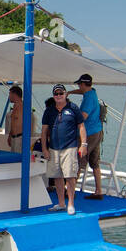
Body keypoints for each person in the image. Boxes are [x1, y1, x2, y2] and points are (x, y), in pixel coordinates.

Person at [40, 83, 87, 214]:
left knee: (70, 176)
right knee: (57, 177)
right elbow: (44, 131)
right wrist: (44, 148)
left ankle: (71, 204)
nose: (59, 95)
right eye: (56, 94)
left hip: (70, 148)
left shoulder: (73, 108)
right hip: (53, 148)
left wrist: (84, 144)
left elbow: (82, 127)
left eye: (61, 93)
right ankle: (61, 203)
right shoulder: (49, 111)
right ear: (53, 96)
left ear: (66, 94)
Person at [68, 73, 104, 199]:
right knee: (95, 162)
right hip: (98, 131)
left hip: (88, 134)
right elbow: (81, 91)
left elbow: (83, 116)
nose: (78, 85)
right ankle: (99, 191)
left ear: (83, 84)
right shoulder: (92, 92)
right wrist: (70, 92)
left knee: (78, 161)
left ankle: (71, 192)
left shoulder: (88, 99)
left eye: (79, 84)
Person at [5, 85, 24, 152]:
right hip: (14, 137)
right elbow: (14, 123)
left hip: (19, 138)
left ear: (14, 94)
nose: (9, 97)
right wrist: (10, 136)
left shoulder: (22, 106)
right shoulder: (15, 106)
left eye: (10, 94)